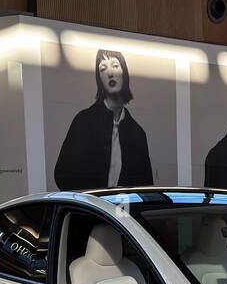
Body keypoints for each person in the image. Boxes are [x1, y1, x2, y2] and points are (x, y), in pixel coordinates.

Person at [52, 49, 153, 190]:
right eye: (103, 69)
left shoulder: (137, 134)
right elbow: (62, 174)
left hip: (122, 211)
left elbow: (145, 187)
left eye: (115, 66)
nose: (110, 73)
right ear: (99, 79)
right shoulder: (83, 122)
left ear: (125, 72)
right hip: (89, 210)